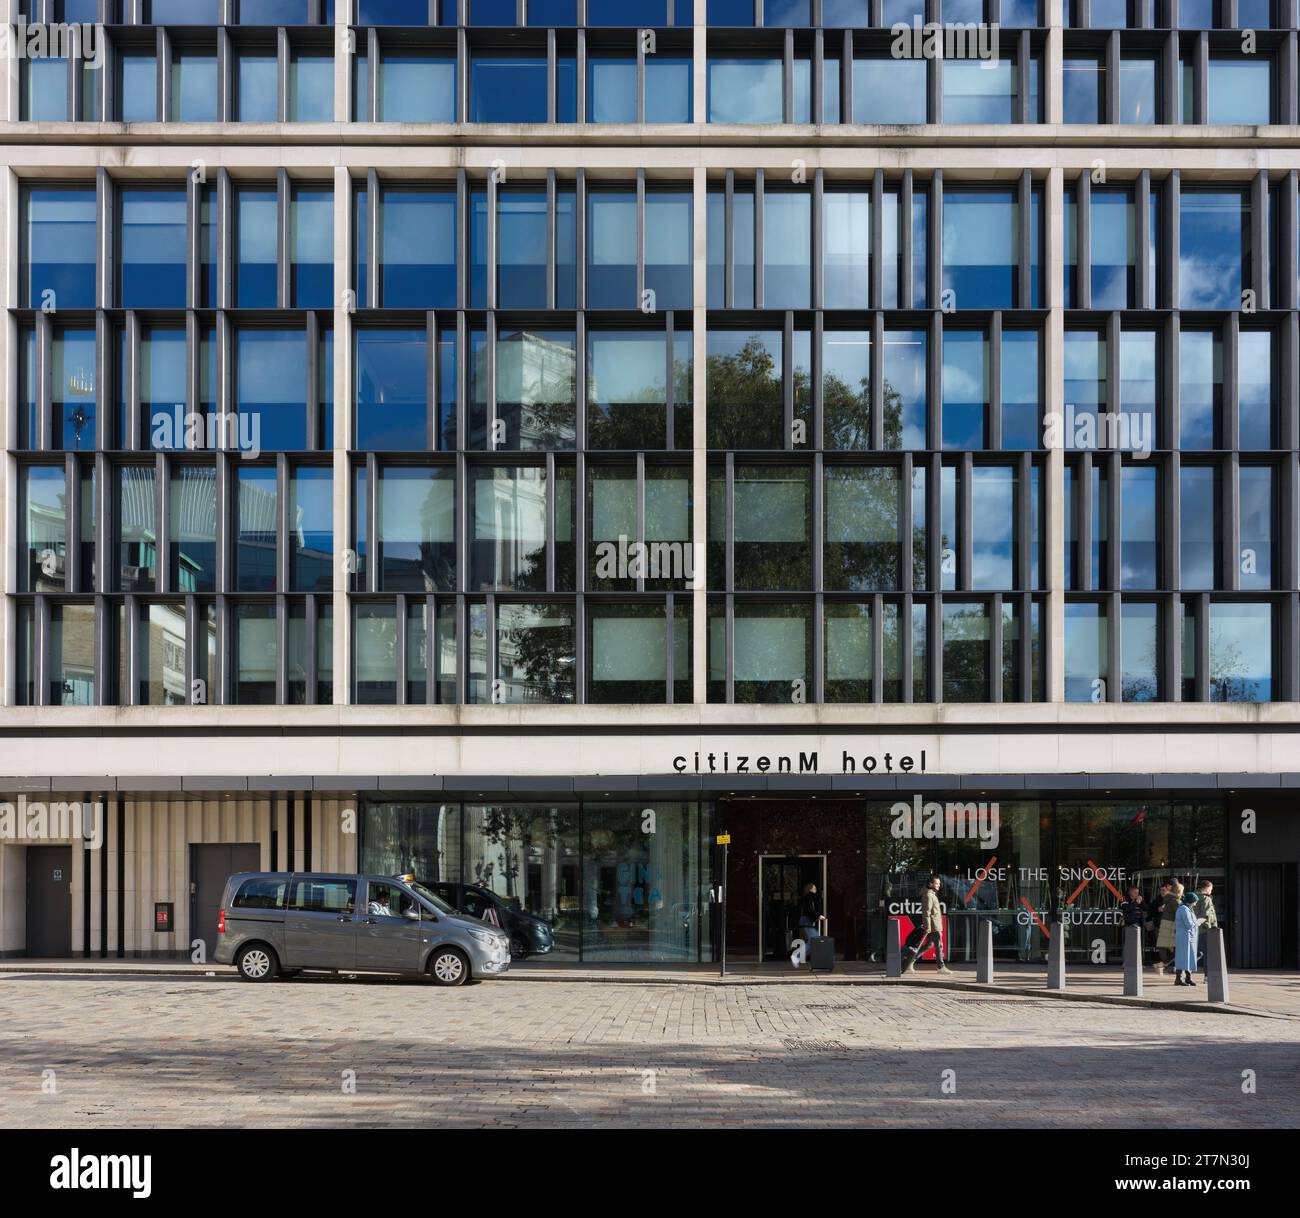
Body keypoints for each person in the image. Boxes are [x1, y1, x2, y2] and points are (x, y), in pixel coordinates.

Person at [903, 875, 951, 974]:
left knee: (929, 945)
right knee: (939, 945)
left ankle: (910, 962)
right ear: (930, 884)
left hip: (934, 924)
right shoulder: (928, 895)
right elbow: (926, 912)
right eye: (937, 883)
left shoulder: (931, 894)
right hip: (933, 926)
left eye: (939, 883)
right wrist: (928, 927)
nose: (939, 885)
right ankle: (941, 966)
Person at [1173, 885, 1204, 986]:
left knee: (1188, 957)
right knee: (1183, 957)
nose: (1195, 904)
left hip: (1188, 937)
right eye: (1194, 902)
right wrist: (1198, 922)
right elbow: (1189, 924)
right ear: (1190, 901)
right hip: (1184, 937)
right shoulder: (1184, 909)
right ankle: (1179, 979)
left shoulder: (1187, 908)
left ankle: (1187, 978)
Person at [1153, 880, 1177, 974]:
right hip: (1163, 924)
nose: (1165, 890)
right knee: (1163, 946)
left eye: (1167, 887)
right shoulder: (1161, 899)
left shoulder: (1174, 899)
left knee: (1174, 948)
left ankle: (1169, 965)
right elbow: (1152, 909)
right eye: (1163, 889)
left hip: (1170, 925)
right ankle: (1165, 965)